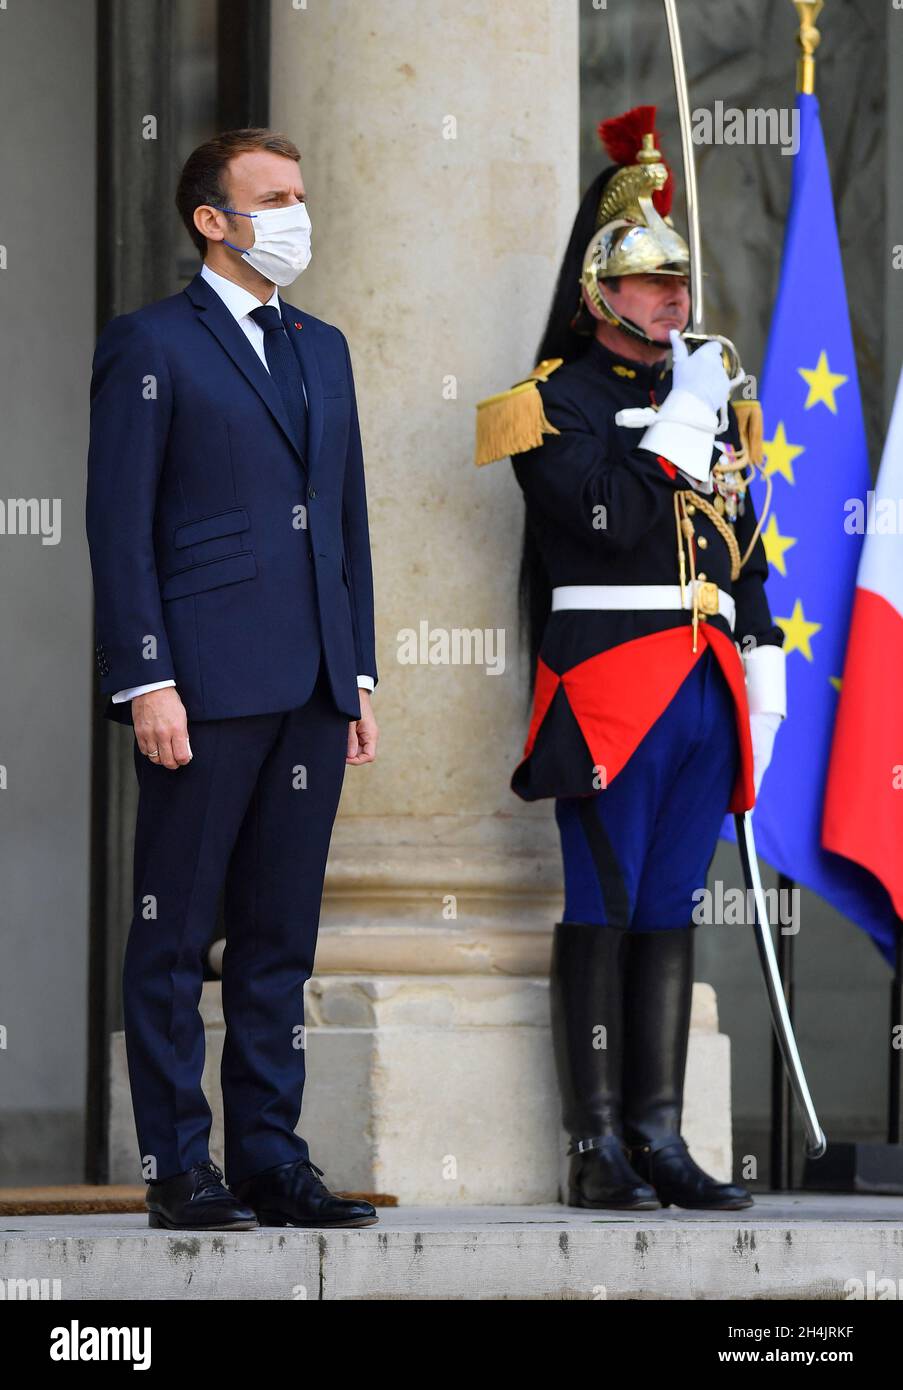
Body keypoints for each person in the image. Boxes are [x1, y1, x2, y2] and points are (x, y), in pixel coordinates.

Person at [475, 106, 786, 1210]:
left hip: (701, 675)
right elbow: (600, 518)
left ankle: (660, 1133)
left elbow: (737, 536)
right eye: (652, 283)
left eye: (680, 283)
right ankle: (594, 1141)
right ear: (600, 293)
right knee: (602, 902)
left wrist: (761, 643)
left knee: (669, 906)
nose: (674, 300)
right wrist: (677, 429)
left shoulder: (703, 398)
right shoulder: (538, 407)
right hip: (609, 676)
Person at [86, 128, 379, 1231]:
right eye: (274, 196)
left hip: (310, 682)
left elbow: (348, 523)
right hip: (202, 684)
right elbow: (119, 527)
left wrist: (359, 673)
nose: (297, 212)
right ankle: (178, 1165)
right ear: (212, 219)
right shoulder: (152, 341)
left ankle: (269, 1156)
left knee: (277, 939)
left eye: (301, 192)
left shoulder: (325, 344)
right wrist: (143, 678)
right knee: (172, 934)